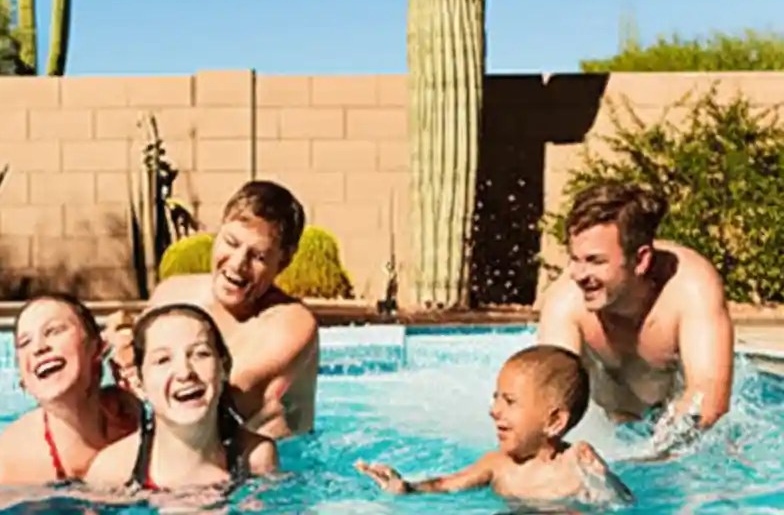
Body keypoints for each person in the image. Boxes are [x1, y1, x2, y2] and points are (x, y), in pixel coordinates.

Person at [108, 180, 320, 440]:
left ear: (283, 262)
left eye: (259, 257)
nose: (238, 264)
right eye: (231, 242)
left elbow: (214, 399)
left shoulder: (291, 324)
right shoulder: (172, 293)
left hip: (278, 468)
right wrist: (120, 345)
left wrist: (138, 367)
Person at [535, 181, 735, 454]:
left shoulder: (690, 287)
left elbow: (709, 399)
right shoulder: (566, 302)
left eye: (595, 261)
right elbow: (544, 399)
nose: (579, 275)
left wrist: (650, 460)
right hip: (612, 424)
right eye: (575, 259)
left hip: (675, 434)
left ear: (640, 260)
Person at [355, 345, 633, 507]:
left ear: (554, 422)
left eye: (509, 401)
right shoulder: (498, 465)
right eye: (495, 398)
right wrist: (407, 487)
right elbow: (447, 485)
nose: (494, 410)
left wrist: (604, 478)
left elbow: (623, 504)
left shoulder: (574, 465)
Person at [84, 303, 279, 496]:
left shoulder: (254, 459)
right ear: (138, 383)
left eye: (200, 354)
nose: (185, 372)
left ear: (223, 368)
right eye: (163, 360)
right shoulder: (113, 472)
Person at [0, 293, 140, 488]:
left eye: (54, 331)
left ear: (96, 348)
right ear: (23, 377)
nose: (38, 348)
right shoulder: (7, 470)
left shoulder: (131, 413)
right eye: (24, 343)